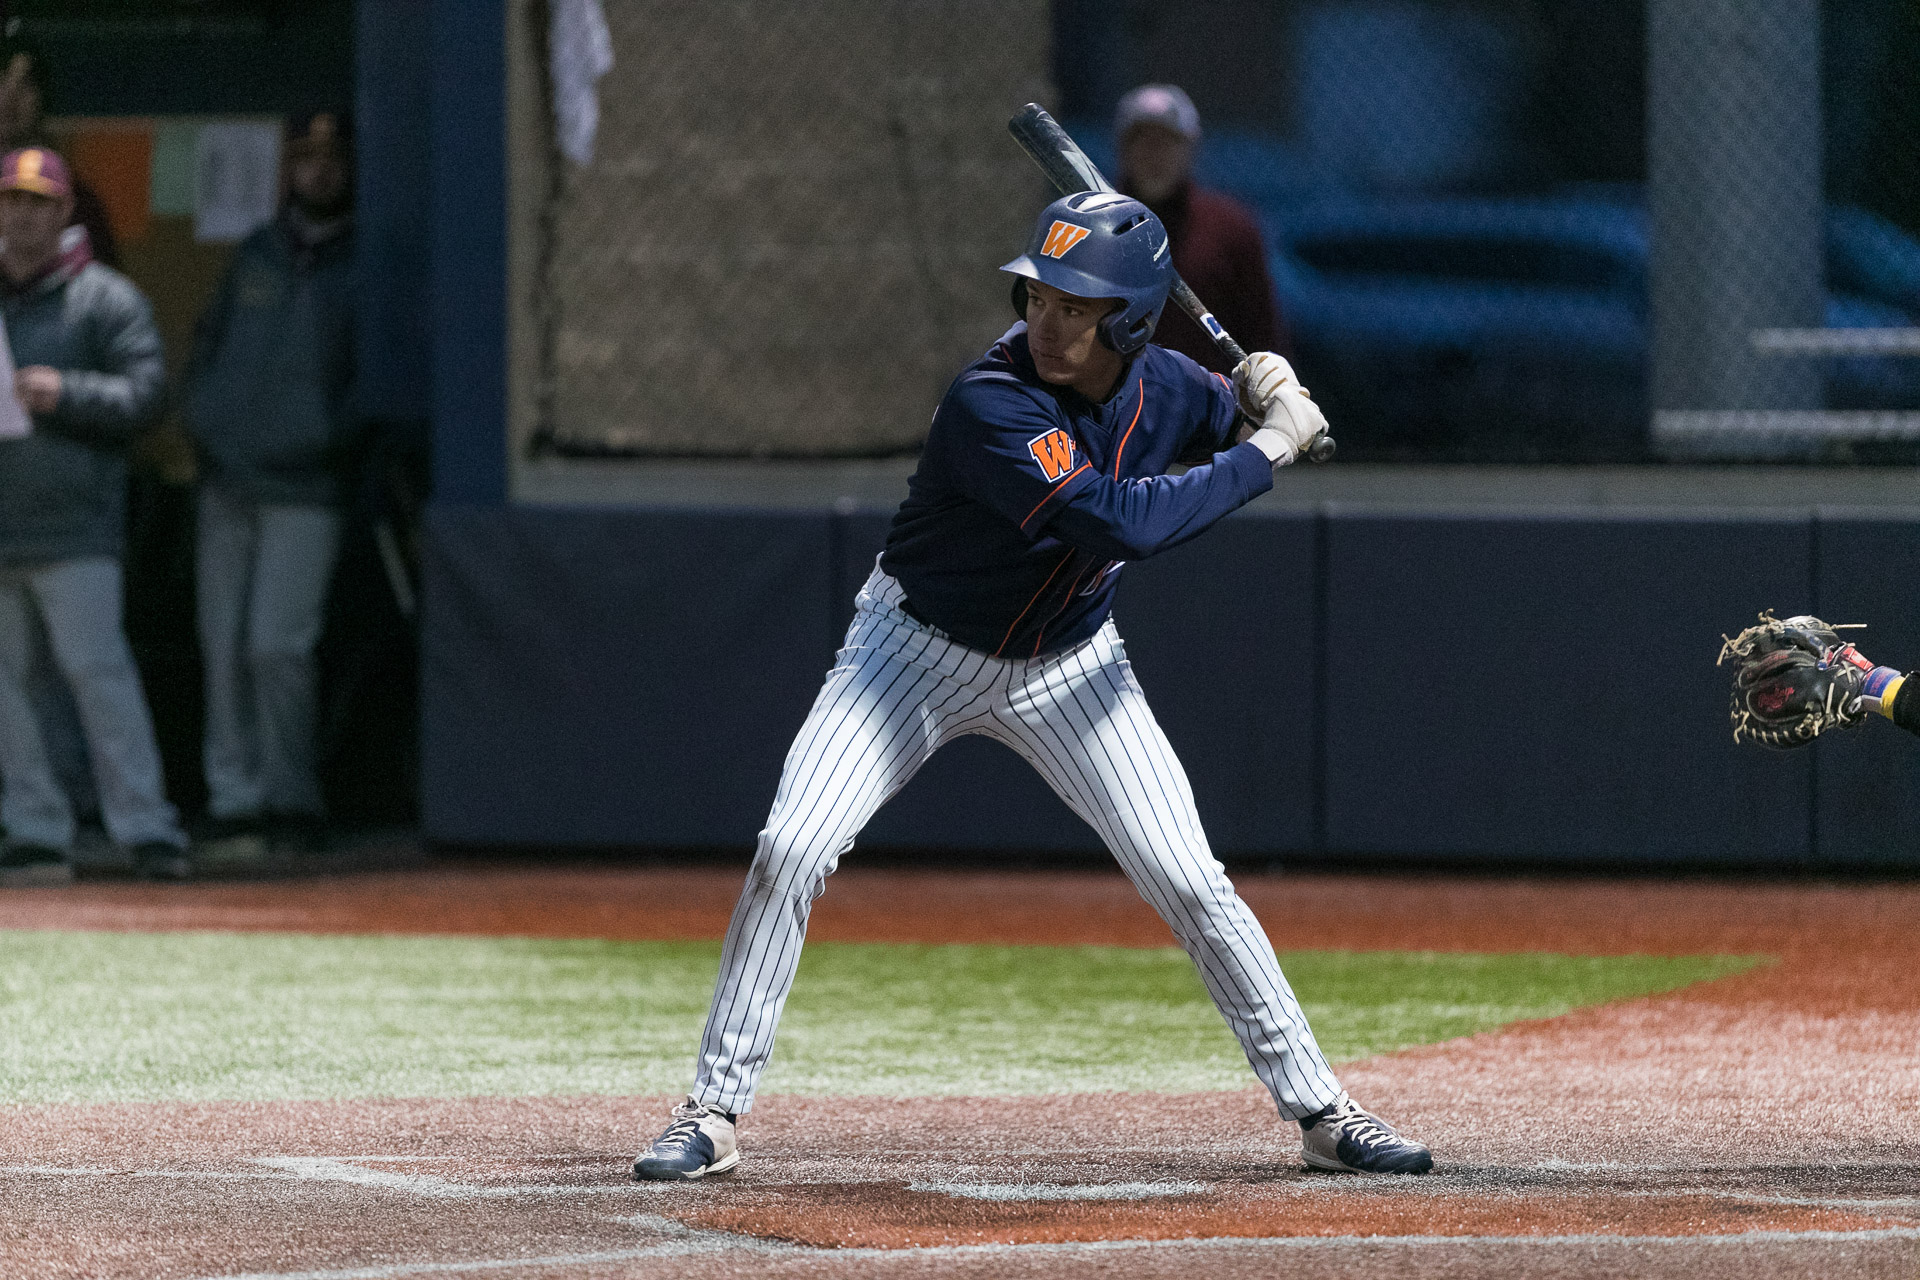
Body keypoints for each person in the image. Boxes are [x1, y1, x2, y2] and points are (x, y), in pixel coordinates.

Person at [631, 191, 1431, 1181]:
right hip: (910, 653)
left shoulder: (1176, 387)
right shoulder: (992, 401)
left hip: (1071, 665)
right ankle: (710, 1110)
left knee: (1191, 877)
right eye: (1040, 297)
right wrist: (1267, 450)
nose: (1046, 323)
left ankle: (1323, 1109)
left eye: (1077, 306)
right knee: (792, 844)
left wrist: (1266, 389)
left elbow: (1229, 409)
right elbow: (1118, 522)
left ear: (1130, 323)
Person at [0, 146, 189, 883]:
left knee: (97, 675)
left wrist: (65, 391)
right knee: (7, 693)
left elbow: (147, 397)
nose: (23, 214)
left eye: (39, 203)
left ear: (65, 212)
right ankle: (35, 827)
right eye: (12, 200)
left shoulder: (104, 298)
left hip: (77, 529)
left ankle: (146, 828)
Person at [183, 112, 358, 851]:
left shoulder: (367, 258)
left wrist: (327, 441)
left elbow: (373, 383)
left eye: (332, 156)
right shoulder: (257, 250)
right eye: (304, 155)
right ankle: (234, 800)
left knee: (277, 648)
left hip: (306, 489)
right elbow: (206, 344)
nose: (317, 169)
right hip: (227, 480)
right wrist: (204, 421)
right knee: (221, 645)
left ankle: (291, 800)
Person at [1113, 83, 1286, 374]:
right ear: (1122, 148)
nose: (1154, 153)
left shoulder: (1231, 228)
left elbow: (1263, 335)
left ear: (1191, 147)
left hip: (1208, 406)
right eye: (1142, 139)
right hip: (1111, 406)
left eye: (1167, 141)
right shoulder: (1096, 225)